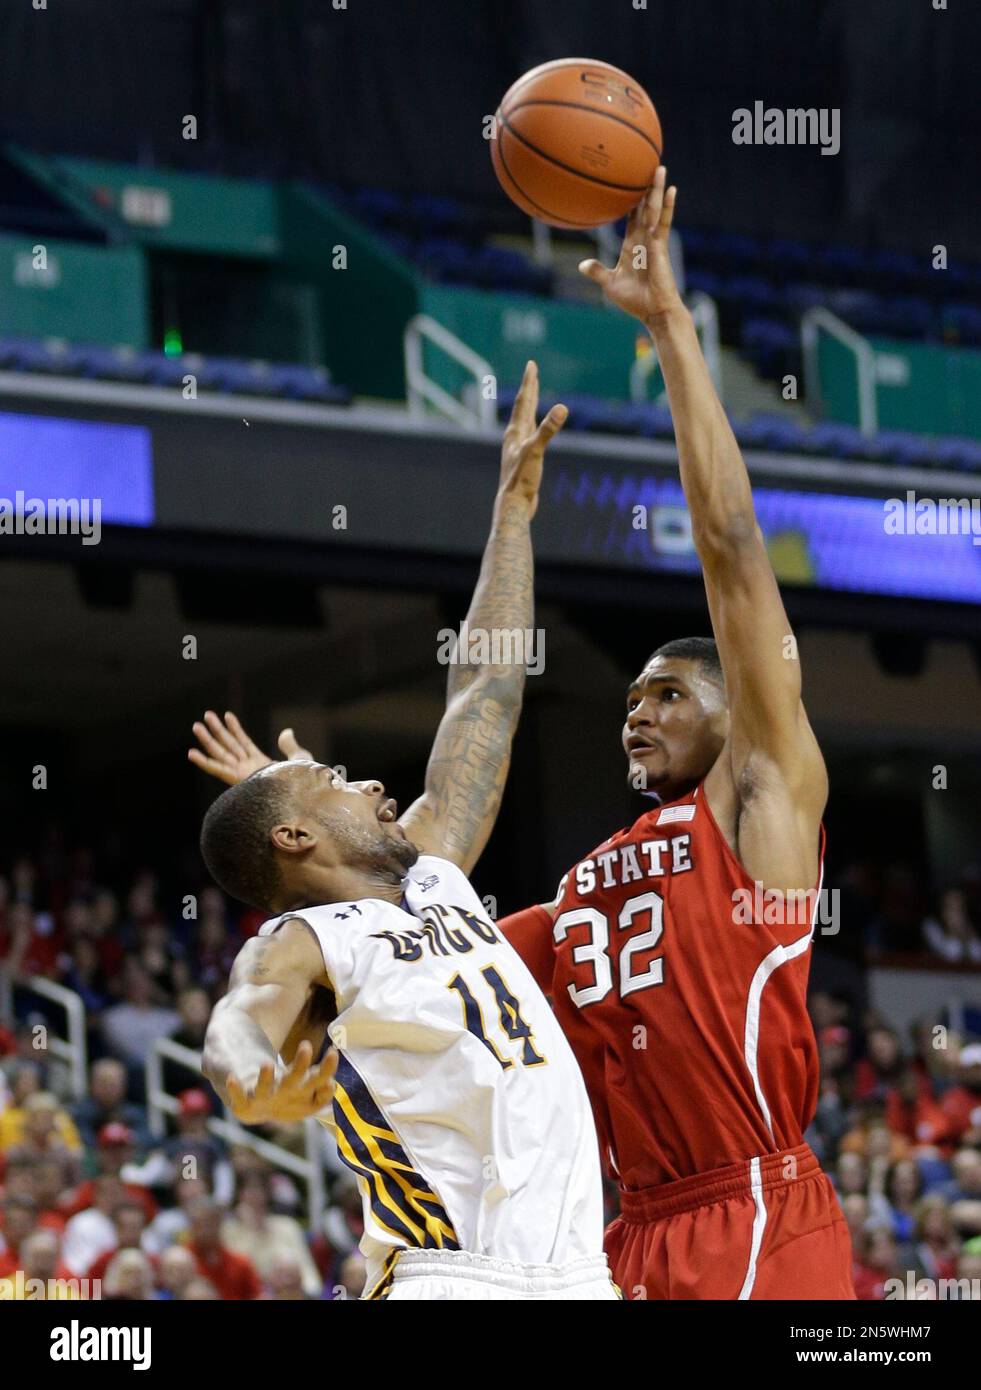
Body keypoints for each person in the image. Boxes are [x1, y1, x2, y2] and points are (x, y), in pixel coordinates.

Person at [496, 168, 854, 1298]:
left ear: (732, 714)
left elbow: (736, 548)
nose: (638, 711)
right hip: (630, 1234)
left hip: (756, 1206)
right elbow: (447, 947)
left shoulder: (760, 803)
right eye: (630, 699)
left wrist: (670, 332)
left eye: (666, 694)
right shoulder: (582, 887)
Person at [195, 369, 618, 1302]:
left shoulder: (432, 875)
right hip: (452, 1276)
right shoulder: (305, 940)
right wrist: (250, 1080)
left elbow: (486, 694)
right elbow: (242, 1013)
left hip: (577, 1275)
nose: (373, 781)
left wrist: (511, 516)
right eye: (336, 779)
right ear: (299, 835)